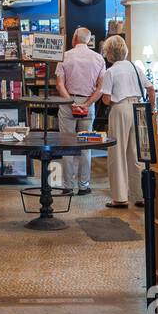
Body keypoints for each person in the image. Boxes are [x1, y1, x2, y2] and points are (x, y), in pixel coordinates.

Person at [99, 35, 153, 209]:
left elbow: (106, 99)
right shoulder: (135, 67)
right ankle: (140, 195)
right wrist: (150, 109)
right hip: (138, 108)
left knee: (117, 153)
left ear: (109, 53)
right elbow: (150, 89)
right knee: (136, 153)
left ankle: (120, 197)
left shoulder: (111, 71)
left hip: (120, 109)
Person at [55, 27, 106, 194]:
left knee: (67, 145)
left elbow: (59, 84)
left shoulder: (64, 56)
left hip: (68, 102)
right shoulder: (98, 59)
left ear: (74, 38)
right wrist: (87, 103)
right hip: (87, 103)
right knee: (86, 146)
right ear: (88, 40)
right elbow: (100, 88)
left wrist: (71, 102)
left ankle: (67, 186)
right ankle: (83, 186)